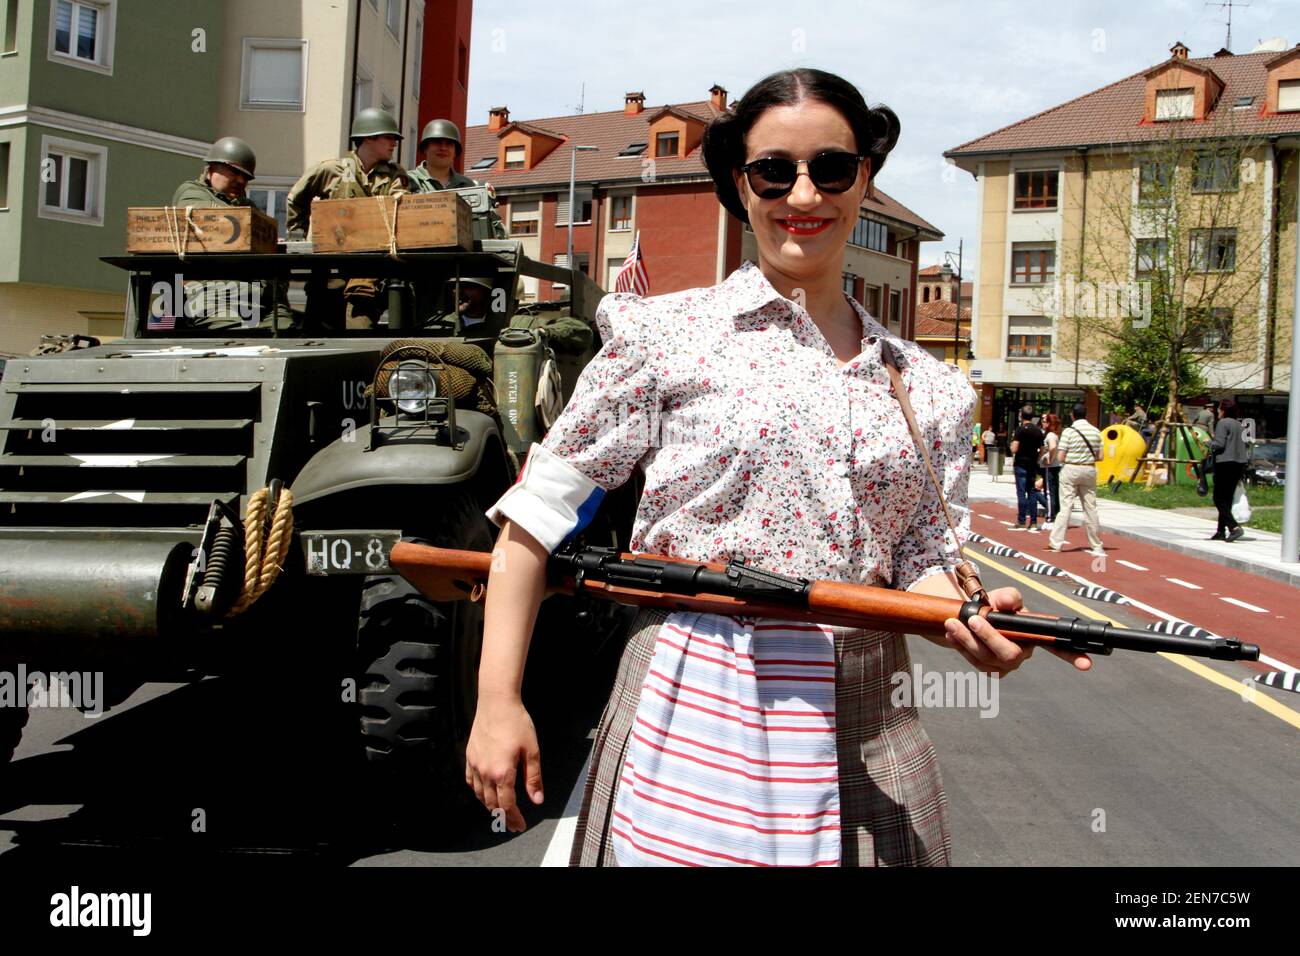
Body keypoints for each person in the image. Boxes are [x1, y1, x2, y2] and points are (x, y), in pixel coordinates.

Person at [464, 68, 1090, 868]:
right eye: (773, 171)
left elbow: (921, 559)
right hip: (688, 699)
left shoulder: (928, 387)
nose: (804, 194)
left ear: (865, 178)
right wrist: (497, 702)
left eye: (832, 168)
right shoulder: (664, 338)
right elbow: (533, 520)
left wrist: (973, 621)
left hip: (865, 717)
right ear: (740, 183)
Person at [287, 107, 410, 327]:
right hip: (330, 267)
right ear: (369, 138)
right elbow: (296, 198)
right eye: (389, 137)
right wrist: (298, 236)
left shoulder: (394, 176)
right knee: (319, 329)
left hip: (369, 271)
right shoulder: (331, 170)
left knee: (359, 328)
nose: (394, 143)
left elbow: (401, 206)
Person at [407, 119, 506, 239]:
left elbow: (495, 228)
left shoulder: (470, 186)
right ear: (425, 148)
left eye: (449, 144)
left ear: (455, 152)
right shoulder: (406, 182)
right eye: (437, 142)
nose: (443, 148)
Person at [1046, 404, 1105, 556]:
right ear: (1086, 415)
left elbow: (1060, 457)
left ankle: (1056, 543)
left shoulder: (1069, 432)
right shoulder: (1096, 431)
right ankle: (1096, 545)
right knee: (1090, 508)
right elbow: (1100, 456)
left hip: (1071, 469)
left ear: (1072, 415)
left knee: (1066, 507)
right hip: (1089, 469)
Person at [172, 136, 256, 207]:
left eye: (246, 177)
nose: (241, 181)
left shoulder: (246, 204)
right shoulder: (192, 192)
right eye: (235, 171)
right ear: (212, 169)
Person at [1209, 397, 1248, 542]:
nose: (1217, 410)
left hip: (1225, 463)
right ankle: (1220, 531)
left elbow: (1219, 444)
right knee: (1227, 498)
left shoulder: (1223, 423)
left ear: (1223, 410)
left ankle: (1234, 527)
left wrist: (1208, 443)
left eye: (1219, 408)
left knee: (1218, 498)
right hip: (1239, 464)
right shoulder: (1239, 425)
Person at [1009, 405, 1044, 532]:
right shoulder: (1038, 431)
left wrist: (1011, 446)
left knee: (1021, 492)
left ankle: (1021, 520)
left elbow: (1014, 448)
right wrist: (1037, 459)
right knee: (1032, 492)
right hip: (1032, 464)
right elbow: (1042, 449)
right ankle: (1033, 522)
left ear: (1021, 416)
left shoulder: (1019, 430)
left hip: (1020, 463)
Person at [1040, 412, 1063, 524]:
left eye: (1044, 421)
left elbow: (1053, 447)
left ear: (1050, 423)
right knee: (1054, 491)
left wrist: (1050, 459)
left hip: (1050, 467)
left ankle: (1050, 518)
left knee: (1049, 492)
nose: (1042, 423)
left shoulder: (1050, 435)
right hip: (1055, 466)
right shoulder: (1055, 435)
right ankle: (1055, 514)